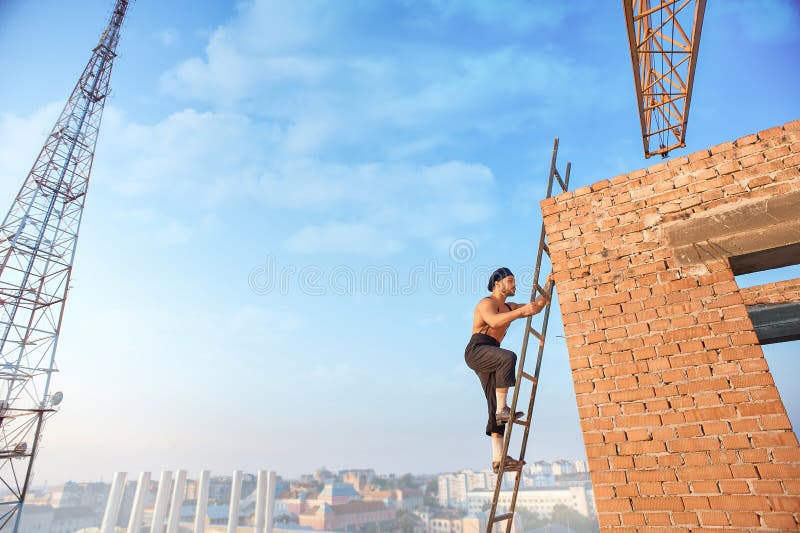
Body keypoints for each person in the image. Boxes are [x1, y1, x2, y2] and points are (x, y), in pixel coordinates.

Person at [465, 267, 548, 474]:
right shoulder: (487, 303)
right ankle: (503, 408)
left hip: (492, 352)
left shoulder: (509, 306)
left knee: (494, 408)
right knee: (508, 357)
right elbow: (493, 321)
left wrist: (548, 285)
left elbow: (536, 307)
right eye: (510, 280)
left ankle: (498, 459)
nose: (514, 285)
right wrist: (520, 312)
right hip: (478, 349)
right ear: (497, 283)